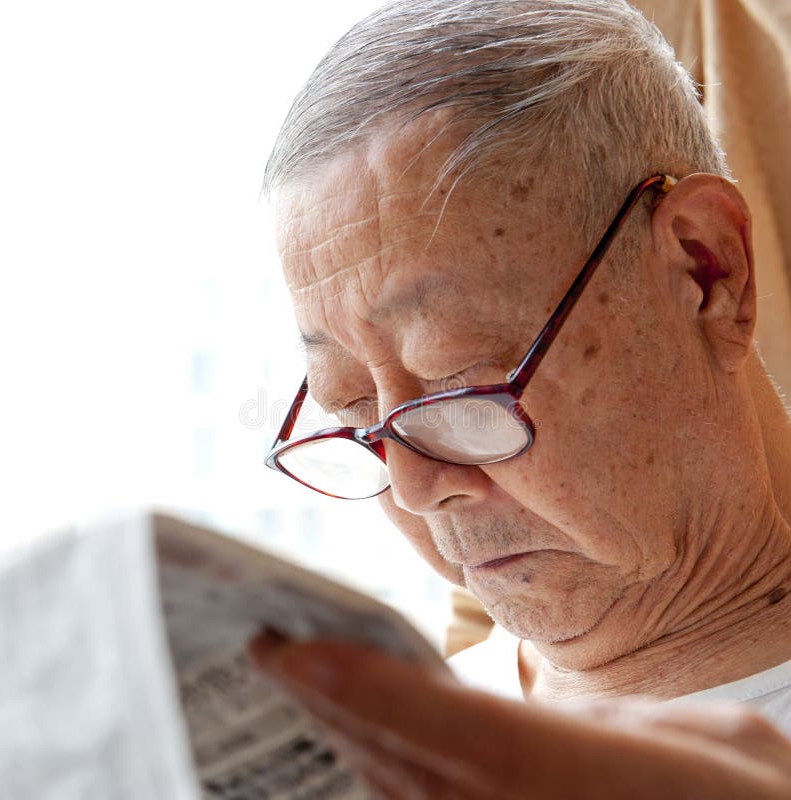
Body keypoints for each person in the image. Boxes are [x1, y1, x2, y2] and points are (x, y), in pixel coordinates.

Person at [252, 1, 791, 796]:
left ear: (706, 272)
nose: (414, 488)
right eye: (356, 412)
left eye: (460, 380)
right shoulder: (377, 745)